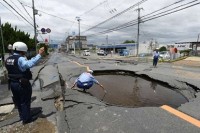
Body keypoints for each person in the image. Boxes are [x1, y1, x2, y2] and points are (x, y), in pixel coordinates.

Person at [5, 42, 45, 124]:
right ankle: (27, 119)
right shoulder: (20, 59)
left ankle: (22, 116)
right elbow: (29, 64)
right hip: (21, 84)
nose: (25, 52)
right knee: (25, 101)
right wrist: (39, 55)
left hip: (12, 83)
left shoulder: (9, 59)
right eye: (25, 51)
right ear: (22, 50)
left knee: (18, 101)